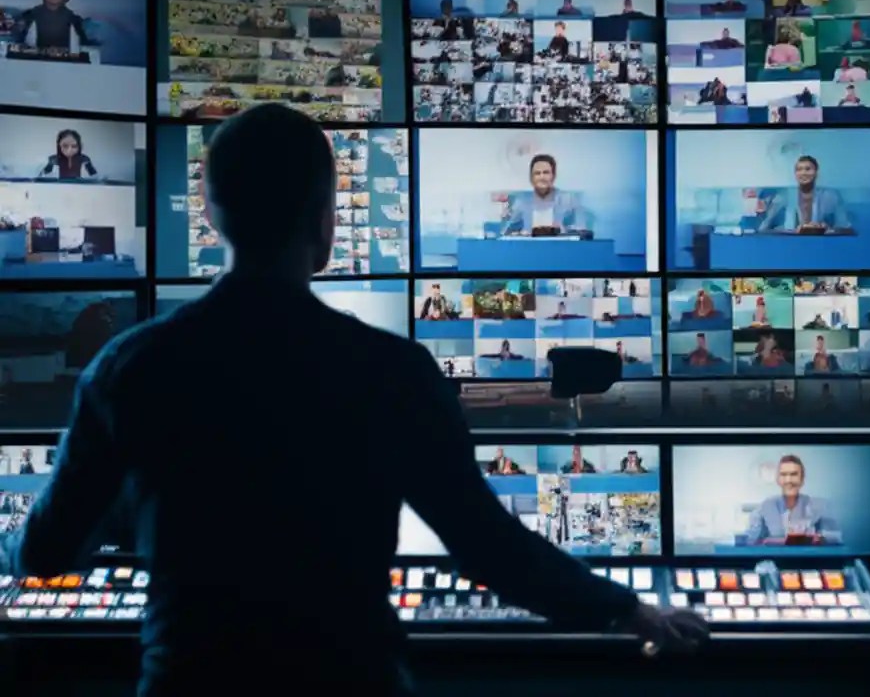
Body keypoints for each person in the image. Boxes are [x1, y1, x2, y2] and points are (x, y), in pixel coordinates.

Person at [0, 104, 706, 696]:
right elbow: (489, 548)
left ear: (212, 216)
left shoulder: (128, 368)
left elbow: (43, 550)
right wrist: (628, 609)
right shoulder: (391, 371)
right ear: (325, 216)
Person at [744, 455, 841, 545]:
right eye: (783, 475)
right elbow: (750, 539)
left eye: (794, 474)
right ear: (778, 480)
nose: (788, 480)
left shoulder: (819, 506)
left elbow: (836, 537)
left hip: (809, 560)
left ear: (802, 479)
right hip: (776, 561)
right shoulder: (766, 506)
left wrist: (818, 538)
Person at [758, 156, 854, 233]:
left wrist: (826, 230)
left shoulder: (831, 196)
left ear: (816, 173)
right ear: (795, 174)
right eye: (799, 169)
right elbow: (764, 229)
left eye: (808, 169)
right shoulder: (783, 197)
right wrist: (792, 232)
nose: (803, 173)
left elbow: (846, 229)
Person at [500, 154, 587, 235]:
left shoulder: (569, 200)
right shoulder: (522, 202)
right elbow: (506, 232)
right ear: (531, 178)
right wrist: (519, 233)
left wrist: (562, 231)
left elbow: (582, 231)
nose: (542, 177)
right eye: (537, 173)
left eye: (546, 172)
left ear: (553, 175)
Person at [14, 0, 90, 54]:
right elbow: (14, 40)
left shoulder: (75, 20)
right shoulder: (29, 16)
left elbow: (88, 48)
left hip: (66, 63)